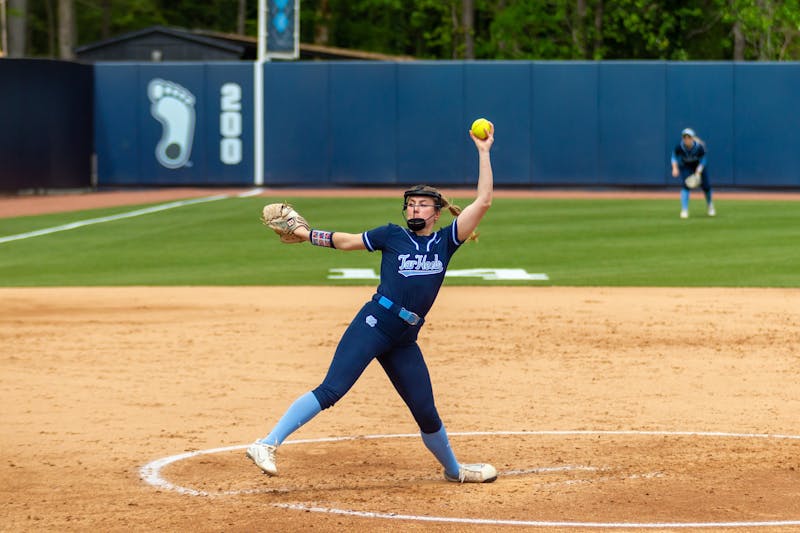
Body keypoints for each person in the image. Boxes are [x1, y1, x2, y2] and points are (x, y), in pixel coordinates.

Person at [247, 122, 498, 484]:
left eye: (422, 204)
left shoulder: (446, 242)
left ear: (437, 211)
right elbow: (347, 241)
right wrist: (305, 234)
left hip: (404, 339)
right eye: (410, 203)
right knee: (333, 389)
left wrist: (484, 153)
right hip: (375, 322)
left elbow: (485, 201)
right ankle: (266, 443)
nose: (414, 209)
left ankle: (455, 470)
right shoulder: (391, 235)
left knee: (426, 412)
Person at [671, 127, 715, 219]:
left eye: (689, 137)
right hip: (686, 167)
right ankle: (684, 210)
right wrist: (674, 168)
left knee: (706, 187)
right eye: (684, 137)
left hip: (699, 166)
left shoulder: (699, 147)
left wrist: (699, 171)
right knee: (686, 185)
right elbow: (674, 156)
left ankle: (710, 205)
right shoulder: (680, 146)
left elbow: (703, 159)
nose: (686, 139)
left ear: (692, 138)